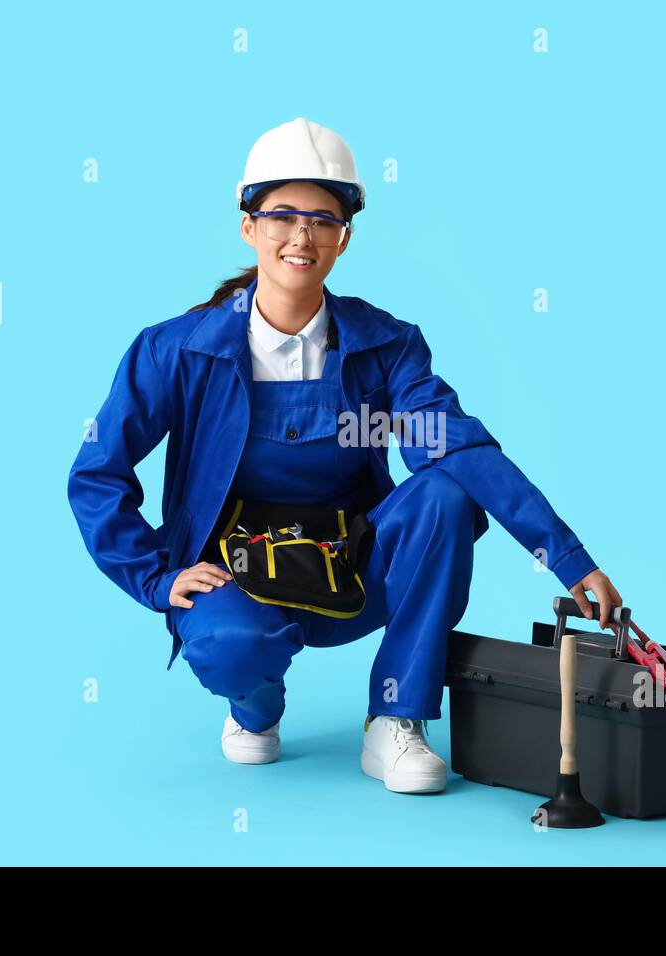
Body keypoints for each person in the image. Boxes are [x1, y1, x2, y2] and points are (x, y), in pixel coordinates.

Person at [67, 117, 622, 794]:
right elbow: (97, 475)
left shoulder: (386, 347)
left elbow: (459, 445)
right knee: (234, 649)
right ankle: (255, 706)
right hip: (235, 582)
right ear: (249, 226)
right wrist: (157, 576)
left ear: (344, 240)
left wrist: (566, 556)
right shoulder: (175, 350)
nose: (301, 236)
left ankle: (395, 717)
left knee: (443, 494)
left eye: (323, 220)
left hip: (355, 571)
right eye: (281, 215)